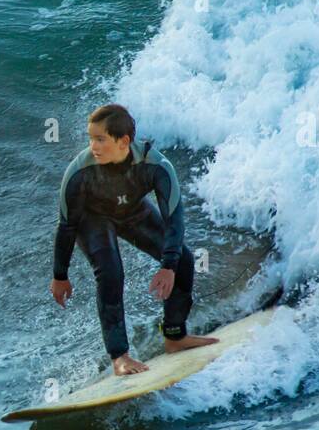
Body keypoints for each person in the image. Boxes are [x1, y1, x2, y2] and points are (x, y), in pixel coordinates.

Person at [50, 104, 218, 375]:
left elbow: (174, 218)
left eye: (100, 139)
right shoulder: (79, 172)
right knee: (111, 272)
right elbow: (67, 226)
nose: (93, 146)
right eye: (91, 138)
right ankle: (119, 357)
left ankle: (175, 336)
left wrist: (168, 265)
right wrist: (60, 274)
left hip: (132, 212)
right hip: (92, 220)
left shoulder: (156, 166)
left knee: (183, 260)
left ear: (124, 141)